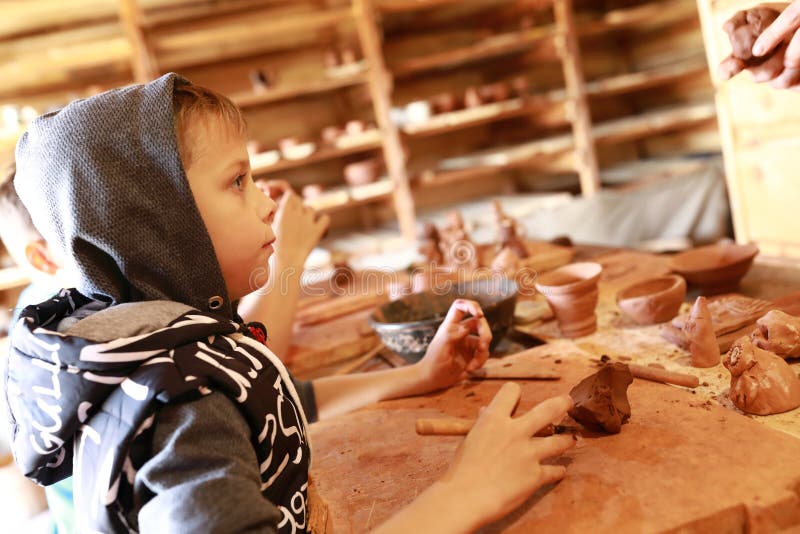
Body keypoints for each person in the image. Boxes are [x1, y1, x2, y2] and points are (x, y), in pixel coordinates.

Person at [5, 74, 574, 532]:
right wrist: (466, 493)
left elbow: (271, 404)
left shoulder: (145, 340)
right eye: (238, 181)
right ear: (158, 225)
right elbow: (219, 417)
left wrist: (421, 376)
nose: (266, 199)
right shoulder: (183, 405)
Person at [719, 1, 800, 89]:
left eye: (731, 71)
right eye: (732, 74)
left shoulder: (734, 35)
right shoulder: (755, 67)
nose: (733, 69)